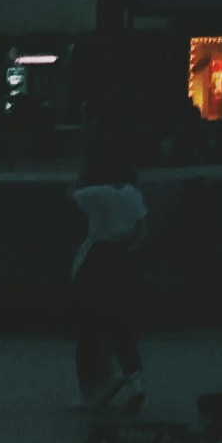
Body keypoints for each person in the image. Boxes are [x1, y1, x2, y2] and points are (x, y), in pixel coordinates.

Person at [68, 142, 151, 408]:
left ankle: (95, 385)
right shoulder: (132, 194)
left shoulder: (97, 194)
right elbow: (143, 229)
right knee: (123, 322)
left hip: (95, 259)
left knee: (88, 325)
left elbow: (71, 196)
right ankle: (134, 378)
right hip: (124, 258)